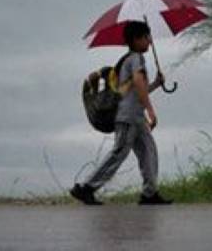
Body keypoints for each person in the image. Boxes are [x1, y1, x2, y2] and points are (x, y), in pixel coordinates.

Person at [71, 21, 173, 205]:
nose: (150, 41)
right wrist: (151, 110)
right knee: (119, 152)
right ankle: (86, 187)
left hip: (136, 117)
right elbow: (139, 83)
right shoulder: (136, 59)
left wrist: (157, 83)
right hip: (127, 117)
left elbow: (136, 91)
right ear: (136, 39)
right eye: (146, 37)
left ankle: (149, 193)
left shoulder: (129, 60)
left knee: (149, 151)